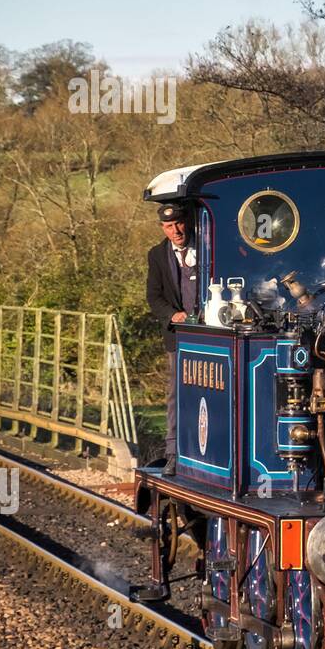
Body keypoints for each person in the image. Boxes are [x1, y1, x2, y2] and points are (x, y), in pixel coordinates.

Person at [146, 202, 198, 473]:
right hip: (178, 338)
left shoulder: (207, 247)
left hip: (210, 334)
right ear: (162, 228)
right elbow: (153, 297)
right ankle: (174, 451)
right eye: (169, 226)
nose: (176, 230)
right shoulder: (156, 255)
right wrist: (173, 315)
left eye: (178, 223)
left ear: (186, 221)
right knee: (176, 393)